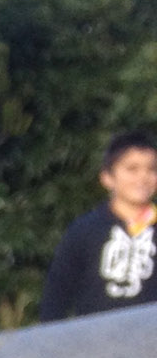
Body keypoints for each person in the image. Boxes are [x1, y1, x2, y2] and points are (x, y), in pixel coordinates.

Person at [40, 131, 157, 321]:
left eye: (151, 169)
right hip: (95, 340)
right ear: (107, 178)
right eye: (132, 169)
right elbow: (57, 292)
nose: (143, 177)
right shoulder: (85, 230)